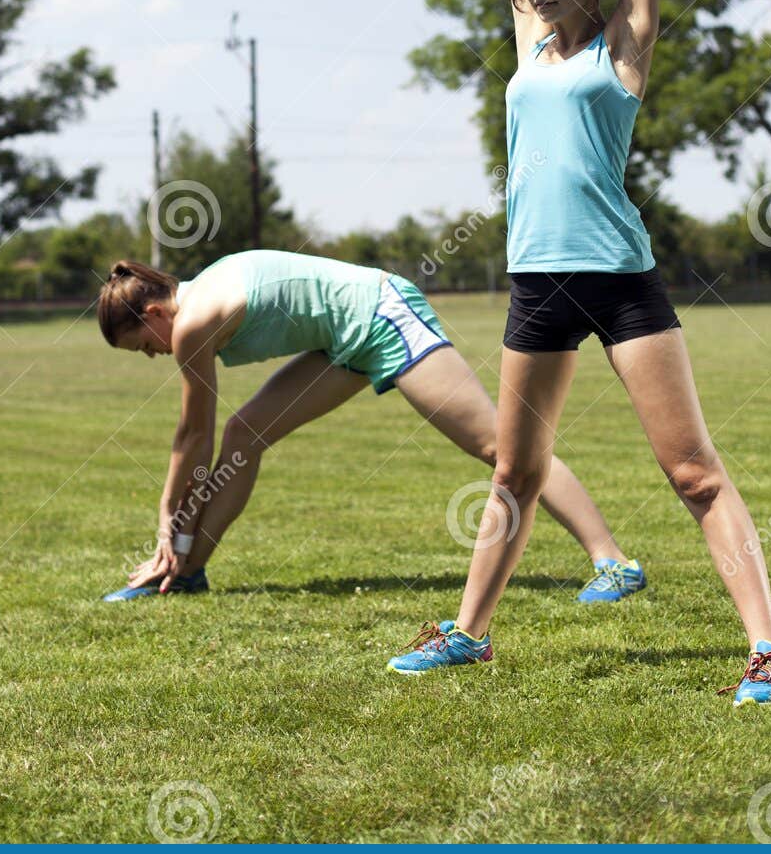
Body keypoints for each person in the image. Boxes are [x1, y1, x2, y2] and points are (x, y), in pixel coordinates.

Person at [386, 0, 771, 707]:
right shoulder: (529, 39)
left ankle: (766, 650)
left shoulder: (624, 45)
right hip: (535, 280)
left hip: (617, 278)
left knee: (691, 472)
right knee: (514, 472)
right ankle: (470, 635)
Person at [96, 248, 646, 602]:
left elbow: (193, 436)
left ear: (154, 316)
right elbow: (203, 441)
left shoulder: (191, 324)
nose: (153, 356)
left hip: (381, 318)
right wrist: (174, 526)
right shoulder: (195, 297)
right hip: (343, 340)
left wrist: (168, 514)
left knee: (502, 449)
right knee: (247, 434)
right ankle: (187, 571)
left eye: (145, 347)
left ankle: (615, 563)